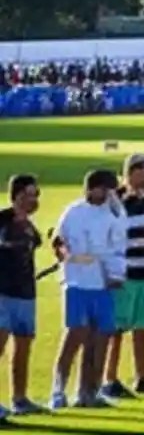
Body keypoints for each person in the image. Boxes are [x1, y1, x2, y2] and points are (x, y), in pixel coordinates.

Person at [49, 169, 127, 410]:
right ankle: (58, 391)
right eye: (106, 188)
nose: (110, 194)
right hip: (77, 282)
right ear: (93, 188)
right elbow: (58, 240)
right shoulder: (74, 211)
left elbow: (119, 247)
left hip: (103, 284)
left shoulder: (116, 213)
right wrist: (65, 255)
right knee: (76, 335)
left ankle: (89, 392)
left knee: (101, 338)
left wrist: (116, 274)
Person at [102, 154, 144, 399]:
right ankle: (110, 377)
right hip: (126, 276)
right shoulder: (115, 204)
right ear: (133, 172)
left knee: (142, 325)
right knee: (117, 328)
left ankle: (142, 376)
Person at [0, 174, 45, 419]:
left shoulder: (30, 229)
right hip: (2, 294)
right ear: (17, 195)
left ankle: (20, 398)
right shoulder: (2, 221)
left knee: (23, 347)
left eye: (36, 194)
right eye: (30, 194)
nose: (35, 199)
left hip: (26, 295)